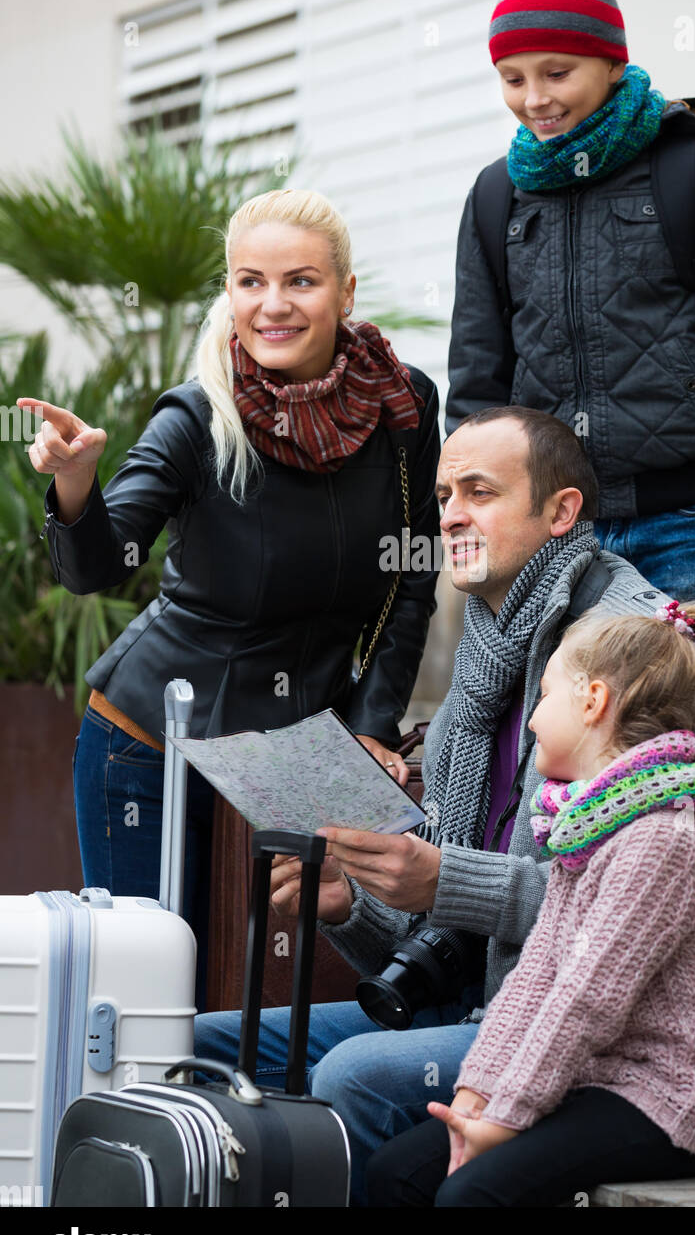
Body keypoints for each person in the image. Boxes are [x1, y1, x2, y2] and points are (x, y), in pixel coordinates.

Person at [194, 406, 695, 1204]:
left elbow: (616, 908)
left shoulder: (621, 654)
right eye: (444, 491)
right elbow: (438, 930)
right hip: (474, 1007)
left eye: (480, 491)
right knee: (210, 1044)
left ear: (561, 512)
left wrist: (441, 880)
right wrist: (351, 904)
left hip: (591, 1045)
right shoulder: (485, 652)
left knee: (353, 1075)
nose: (451, 512)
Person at [19, 188, 440, 1007]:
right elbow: (98, 566)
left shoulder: (403, 407)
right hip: (153, 744)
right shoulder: (197, 416)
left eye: (301, 282)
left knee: (274, 990)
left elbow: (413, 577)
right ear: (230, 293)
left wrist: (372, 728)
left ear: (346, 293)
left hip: (298, 753)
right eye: (250, 282)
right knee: (149, 993)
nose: (272, 305)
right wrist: (76, 485)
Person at [446, 0, 695, 643]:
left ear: (612, 64)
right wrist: (476, 517)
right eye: (513, 78)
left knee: (686, 745)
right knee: (566, 751)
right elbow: (477, 384)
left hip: (692, 532)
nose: (535, 99)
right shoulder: (495, 199)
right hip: (554, 537)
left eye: (558, 72)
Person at [365, 599, 695, 1207]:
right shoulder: (592, 833)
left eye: (544, 699)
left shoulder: (662, 840)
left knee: (469, 1194)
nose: (529, 722)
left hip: (675, 1100)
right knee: (395, 1172)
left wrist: (506, 1118)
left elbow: (586, 1000)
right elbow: (534, 982)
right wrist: (477, 1092)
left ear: (593, 701)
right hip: (605, 1080)